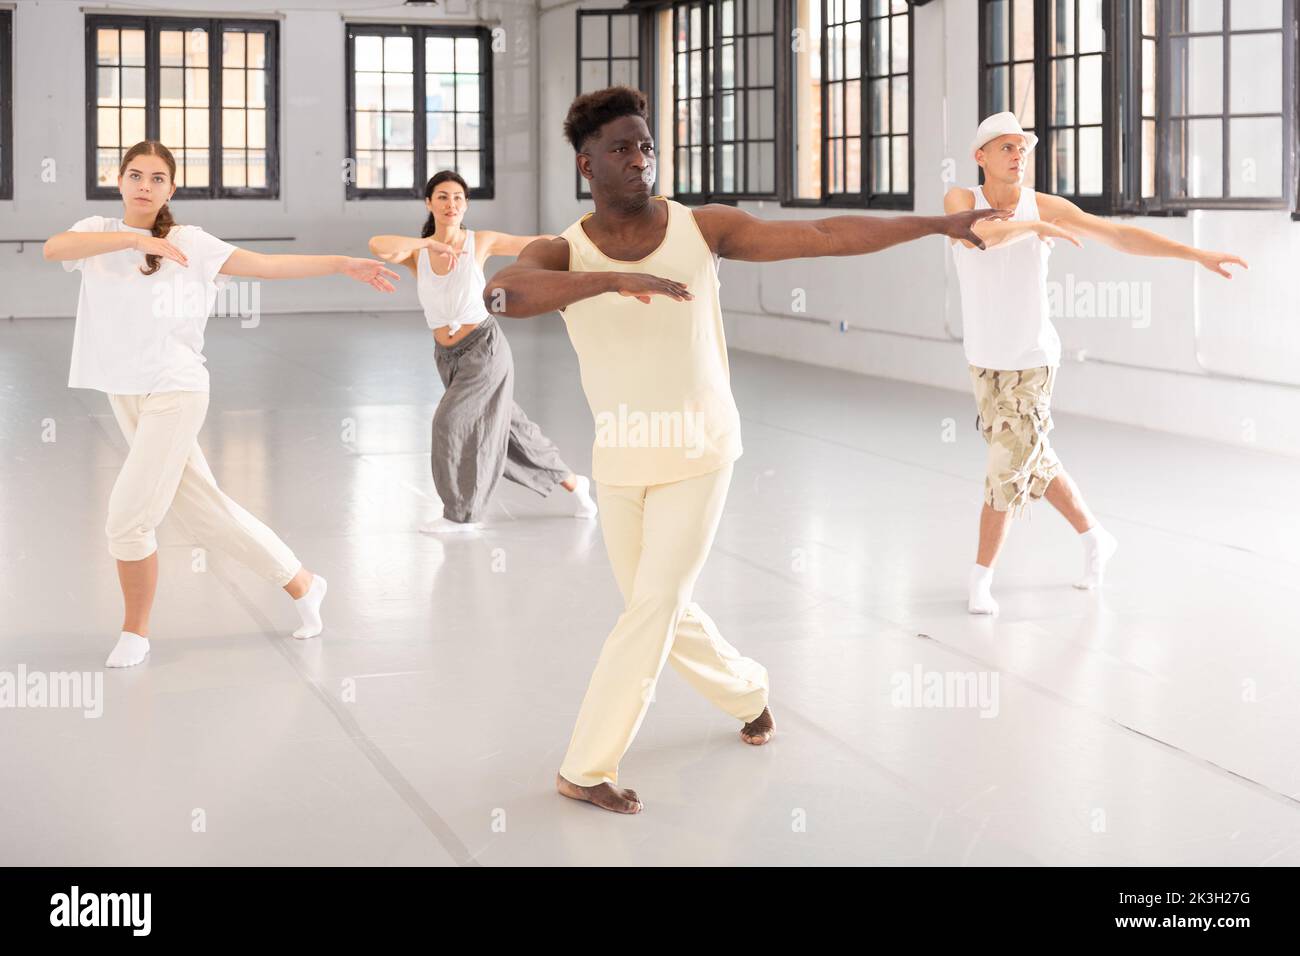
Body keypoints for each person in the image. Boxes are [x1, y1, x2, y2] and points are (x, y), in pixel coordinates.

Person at [485, 87, 1006, 814]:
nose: (641, 160)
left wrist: (936, 225)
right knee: (659, 610)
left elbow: (822, 234)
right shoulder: (562, 250)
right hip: (622, 460)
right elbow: (501, 297)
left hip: (699, 452)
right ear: (586, 165)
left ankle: (585, 765)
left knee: (652, 607)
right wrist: (608, 281)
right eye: (622, 149)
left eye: (647, 145)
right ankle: (750, 693)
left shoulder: (703, 228)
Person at [43, 140, 401, 667]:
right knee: (205, 514)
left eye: (158, 178)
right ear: (119, 181)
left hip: (177, 390)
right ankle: (304, 584)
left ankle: (135, 632)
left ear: (172, 187)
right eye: (136, 175)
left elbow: (267, 265)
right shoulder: (96, 232)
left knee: (127, 519)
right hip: (126, 391)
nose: (145, 186)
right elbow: (55, 249)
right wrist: (135, 241)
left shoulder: (192, 241)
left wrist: (341, 263)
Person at [944, 112, 1248, 615]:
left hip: (1031, 360)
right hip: (984, 360)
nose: (1019, 156)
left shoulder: (1042, 204)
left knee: (1005, 465)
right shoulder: (961, 200)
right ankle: (1095, 537)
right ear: (980, 156)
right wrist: (1036, 227)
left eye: (1023, 148)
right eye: (1006, 148)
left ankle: (981, 579)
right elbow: (974, 236)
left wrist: (1193, 253)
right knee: (1033, 460)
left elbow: (1117, 235)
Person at [368, 170, 597, 534]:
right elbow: (377, 245)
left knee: (450, 422)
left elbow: (534, 242)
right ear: (429, 203)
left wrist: (585, 240)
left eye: (458, 197)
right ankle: (574, 483)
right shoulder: (417, 254)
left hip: (484, 352)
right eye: (442, 197)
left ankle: (460, 514)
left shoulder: (480, 241)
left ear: (466, 205)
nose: (451, 204)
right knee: (511, 430)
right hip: (447, 358)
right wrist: (427, 245)